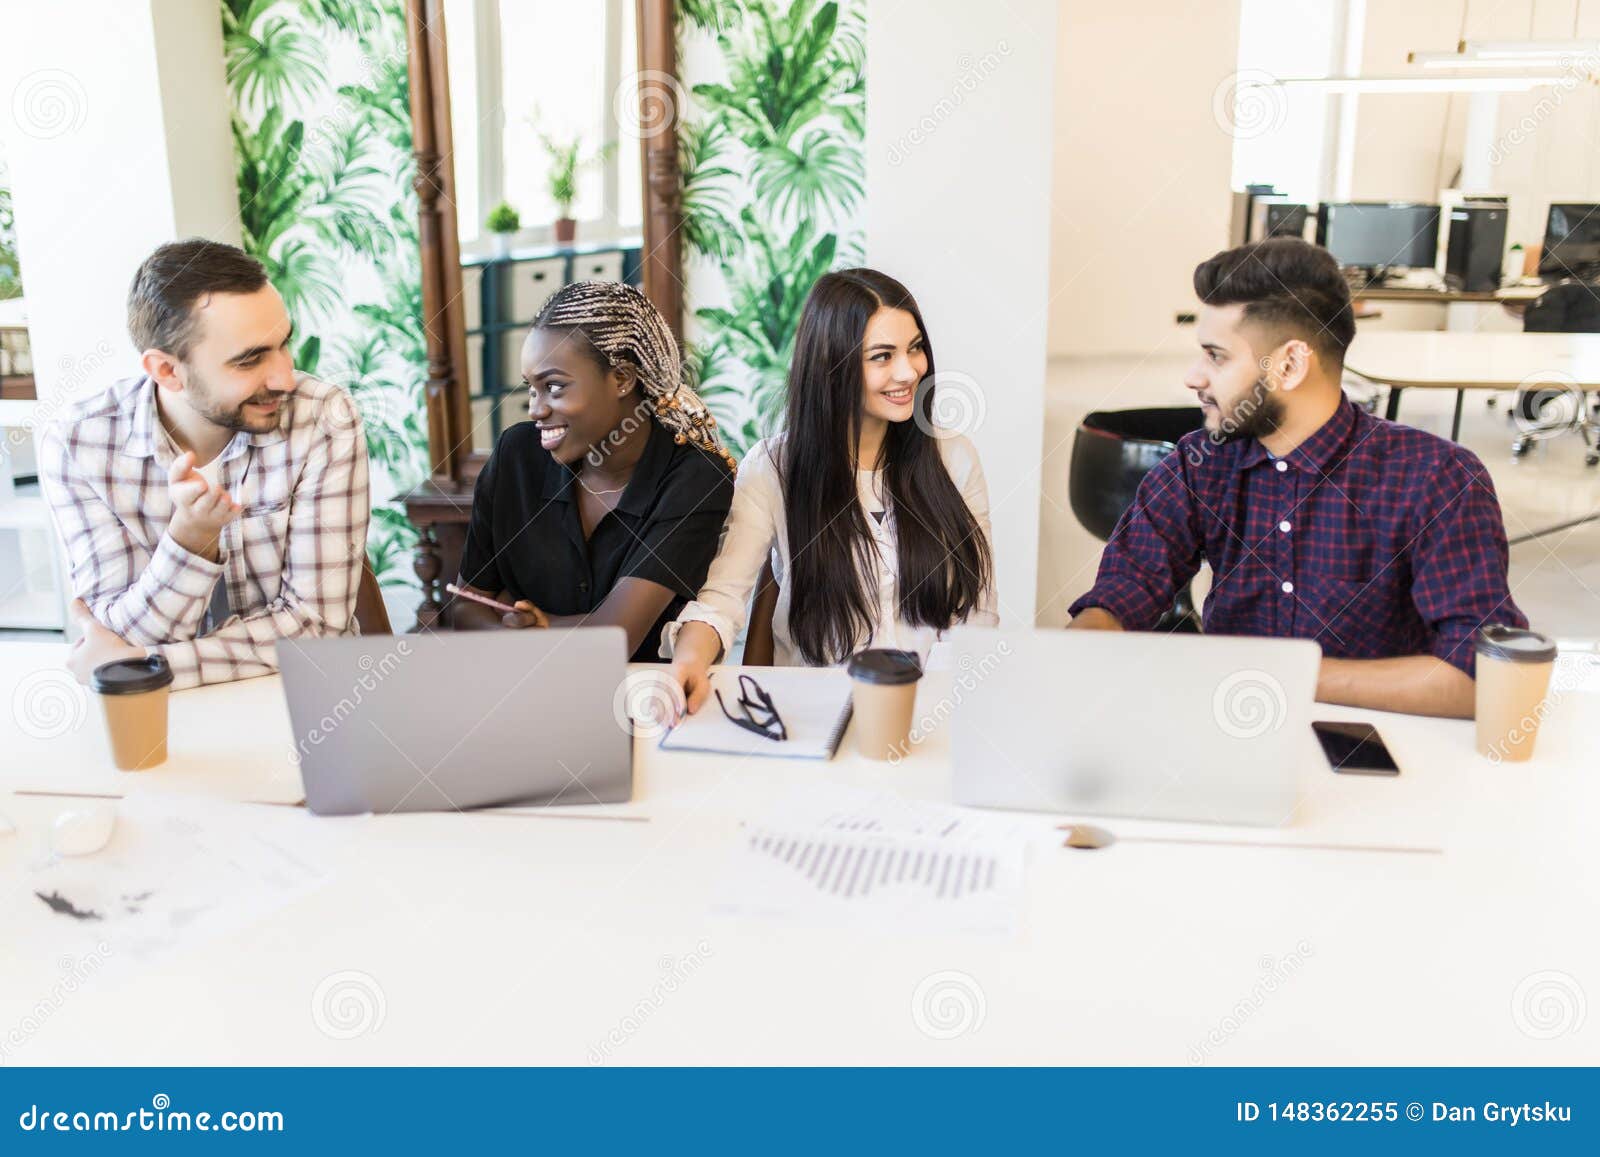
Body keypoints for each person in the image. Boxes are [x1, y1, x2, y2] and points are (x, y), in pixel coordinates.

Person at [1067, 237, 1527, 718]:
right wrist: (1087, 642)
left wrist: (1278, 675)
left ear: (1288, 365)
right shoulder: (1200, 462)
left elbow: (1481, 678)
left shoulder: (1437, 478)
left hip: (1373, 743)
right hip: (1232, 731)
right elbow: (1124, 589)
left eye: (1216, 356)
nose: (1193, 377)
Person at [40, 239, 369, 690]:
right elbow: (117, 632)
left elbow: (316, 628)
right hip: (163, 718)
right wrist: (190, 540)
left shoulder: (323, 417)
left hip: (307, 697)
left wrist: (146, 664)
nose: (285, 378)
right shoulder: (80, 445)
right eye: (251, 359)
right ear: (167, 371)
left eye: (283, 344)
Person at [666, 268, 997, 714]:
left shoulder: (954, 458)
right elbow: (722, 599)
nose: (908, 371)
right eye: (882, 356)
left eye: (915, 348)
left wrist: (939, 707)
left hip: (929, 710)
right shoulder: (772, 469)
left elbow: (978, 614)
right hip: (813, 715)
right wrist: (688, 660)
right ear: (832, 365)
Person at [451, 281, 736, 661]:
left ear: (621, 379)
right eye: (531, 389)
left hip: (641, 706)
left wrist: (531, 628)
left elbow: (615, 639)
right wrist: (536, 634)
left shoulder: (694, 478)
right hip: (518, 697)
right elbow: (465, 607)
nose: (536, 409)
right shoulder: (516, 456)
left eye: (554, 387)